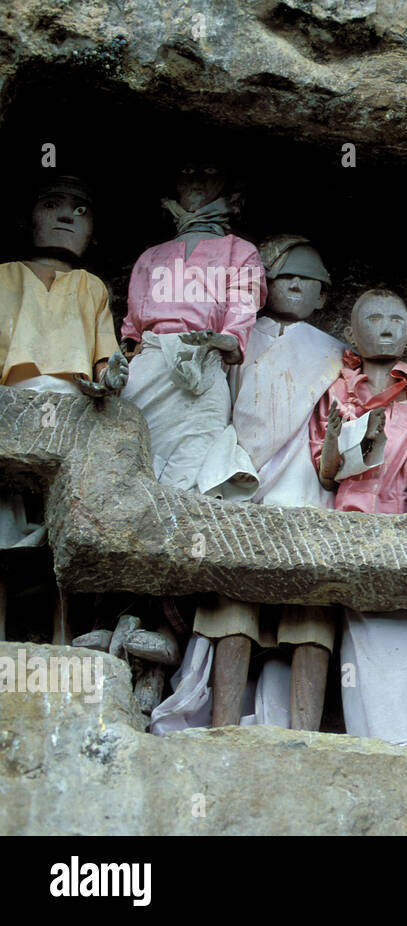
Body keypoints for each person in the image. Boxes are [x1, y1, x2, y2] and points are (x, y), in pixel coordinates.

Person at [150, 235, 344, 732]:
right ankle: (222, 725)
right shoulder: (236, 337)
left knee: (310, 603)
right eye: (283, 276)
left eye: (307, 278)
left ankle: (305, 731)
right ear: (262, 286)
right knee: (232, 599)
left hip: (304, 483)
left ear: (325, 295)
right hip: (240, 474)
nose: (294, 284)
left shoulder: (338, 352)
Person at [309, 289, 407, 757]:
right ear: (351, 332)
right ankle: (378, 748)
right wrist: (336, 439)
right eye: (373, 317)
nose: (387, 326)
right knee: (368, 645)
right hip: (355, 531)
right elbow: (325, 473)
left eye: (397, 318)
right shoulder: (335, 390)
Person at [0, 175, 128, 643]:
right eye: (51, 204)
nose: (64, 216)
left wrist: (109, 377)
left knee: (65, 534)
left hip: (73, 406)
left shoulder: (91, 286)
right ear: (25, 218)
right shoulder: (4, 275)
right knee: (4, 525)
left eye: (79, 210)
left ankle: (62, 640)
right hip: (9, 403)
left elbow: (104, 354)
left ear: (94, 231)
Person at [120, 161, 263, 497]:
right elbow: (132, 331)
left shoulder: (241, 251)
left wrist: (220, 340)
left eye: (209, 170)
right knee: (135, 460)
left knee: (193, 465)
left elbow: (242, 310)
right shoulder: (151, 256)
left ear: (227, 187)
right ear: (172, 186)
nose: (197, 177)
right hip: (149, 367)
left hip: (206, 366)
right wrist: (121, 363)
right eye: (185, 171)